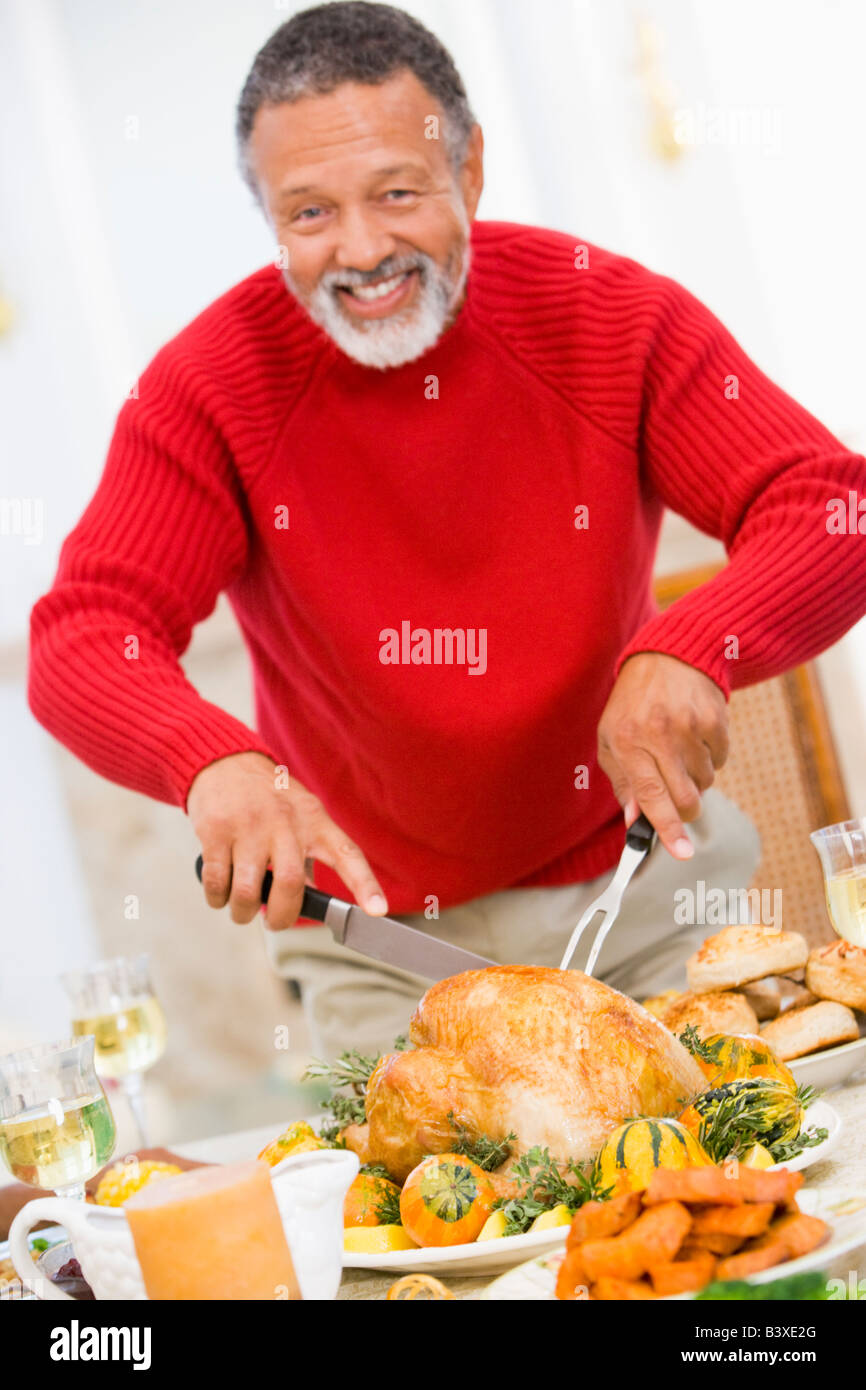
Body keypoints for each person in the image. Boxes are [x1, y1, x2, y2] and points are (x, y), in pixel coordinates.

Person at [28, 3, 866, 1058]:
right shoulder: (208, 386)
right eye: (309, 213)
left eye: (396, 192)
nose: (363, 250)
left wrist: (694, 641)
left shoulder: (607, 315)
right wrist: (207, 760)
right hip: (381, 951)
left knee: (732, 1175)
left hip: (640, 899)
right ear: (268, 218)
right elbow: (84, 631)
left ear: (468, 172)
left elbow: (831, 505)